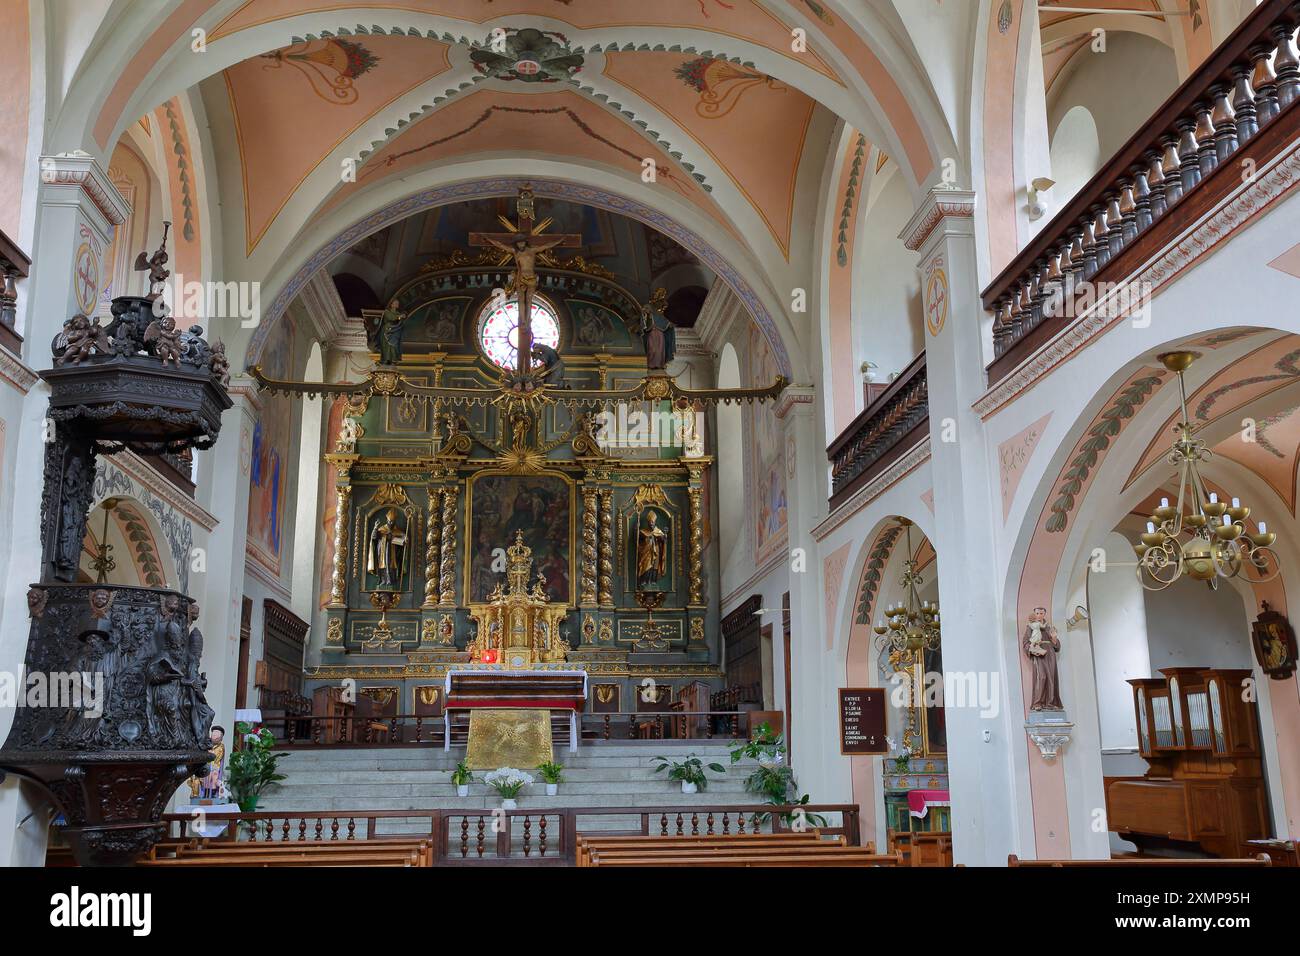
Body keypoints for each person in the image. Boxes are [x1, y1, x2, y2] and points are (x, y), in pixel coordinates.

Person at [1022, 607, 1063, 710]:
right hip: (1039, 653)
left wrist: (1054, 639)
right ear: (1034, 614)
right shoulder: (1030, 627)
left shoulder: (1049, 627)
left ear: (1044, 614)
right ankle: (1038, 703)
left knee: (1051, 677)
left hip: (1050, 654)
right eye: (1037, 613)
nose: (1039, 615)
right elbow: (1025, 642)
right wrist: (1032, 647)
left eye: (1041, 613)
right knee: (1041, 677)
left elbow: (1057, 646)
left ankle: (1050, 703)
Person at [636, 509, 669, 591]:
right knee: (647, 566)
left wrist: (664, 536)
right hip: (646, 552)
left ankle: (653, 581)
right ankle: (644, 582)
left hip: (656, 551)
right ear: (648, 523)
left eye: (652, 522)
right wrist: (635, 530)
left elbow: (663, 540)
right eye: (650, 522)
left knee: (655, 567)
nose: (651, 524)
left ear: (655, 523)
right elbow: (637, 539)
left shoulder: (658, 531)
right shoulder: (643, 531)